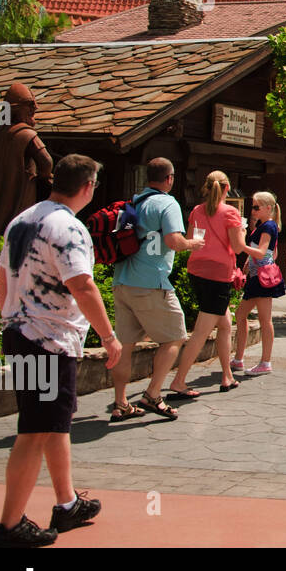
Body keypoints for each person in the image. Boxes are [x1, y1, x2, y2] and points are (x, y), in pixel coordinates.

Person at [0, 154, 121, 547]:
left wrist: (13, 317)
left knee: (52, 422)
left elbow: (2, 279)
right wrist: (109, 337)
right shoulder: (69, 228)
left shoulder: (22, 220)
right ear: (87, 187)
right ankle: (9, 527)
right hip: (48, 340)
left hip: (22, 333)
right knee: (36, 429)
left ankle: (66, 504)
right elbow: (82, 285)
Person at [110, 157, 204, 421]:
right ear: (170, 179)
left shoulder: (134, 202)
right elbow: (174, 241)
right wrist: (192, 244)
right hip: (151, 282)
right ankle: (152, 395)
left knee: (125, 346)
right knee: (175, 337)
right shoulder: (167, 203)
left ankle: (120, 403)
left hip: (122, 281)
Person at [168, 171, 246, 397]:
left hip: (197, 270)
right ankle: (179, 381)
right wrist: (242, 230)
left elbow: (193, 241)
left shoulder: (196, 211)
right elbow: (238, 247)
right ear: (227, 187)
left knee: (224, 324)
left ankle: (227, 375)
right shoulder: (231, 212)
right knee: (202, 331)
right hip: (218, 274)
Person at [0, 82, 53, 236]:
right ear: (17, 110)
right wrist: (44, 178)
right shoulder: (26, 134)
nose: (35, 109)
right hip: (18, 200)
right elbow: (46, 162)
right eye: (30, 106)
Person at [232, 192, 285, 373]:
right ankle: (240, 358)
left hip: (262, 278)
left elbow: (262, 252)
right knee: (242, 315)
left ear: (268, 208)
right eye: (253, 207)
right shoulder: (265, 225)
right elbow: (270, 252)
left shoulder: (268, 226)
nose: (253, 210)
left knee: (263, 319)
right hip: (258, 276)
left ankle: (264, 362)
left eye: (256, 207)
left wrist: (241, 244)